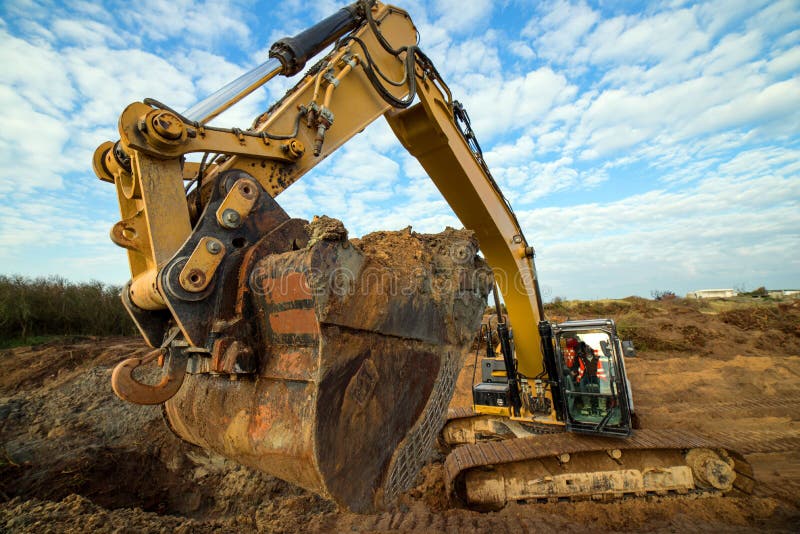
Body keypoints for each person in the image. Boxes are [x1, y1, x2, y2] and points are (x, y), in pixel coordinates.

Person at [572, 341, 601, 415]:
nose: (587, 350)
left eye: (589, 348)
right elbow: (576, 366)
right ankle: (587, 404)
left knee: (603, 384)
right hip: (585, 376)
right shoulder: (580, 358)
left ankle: (601, 405)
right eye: (586, 349)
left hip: (597, 376)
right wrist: (574, 371)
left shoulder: (598, 357)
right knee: (582, 382)